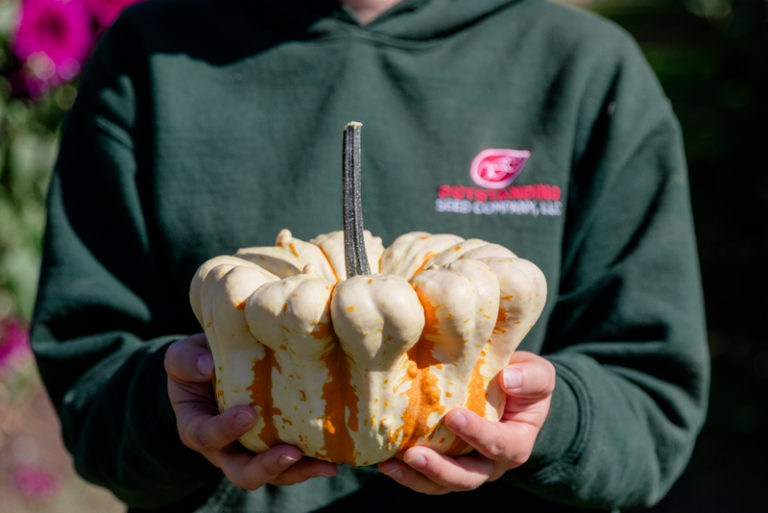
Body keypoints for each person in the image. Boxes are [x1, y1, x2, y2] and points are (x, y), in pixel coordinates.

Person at [30, 0, 709, 511]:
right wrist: (171, 407)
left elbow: (653, 404)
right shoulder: (150, 56)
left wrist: (552, 421)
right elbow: (90, 376)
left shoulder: (583, 68)